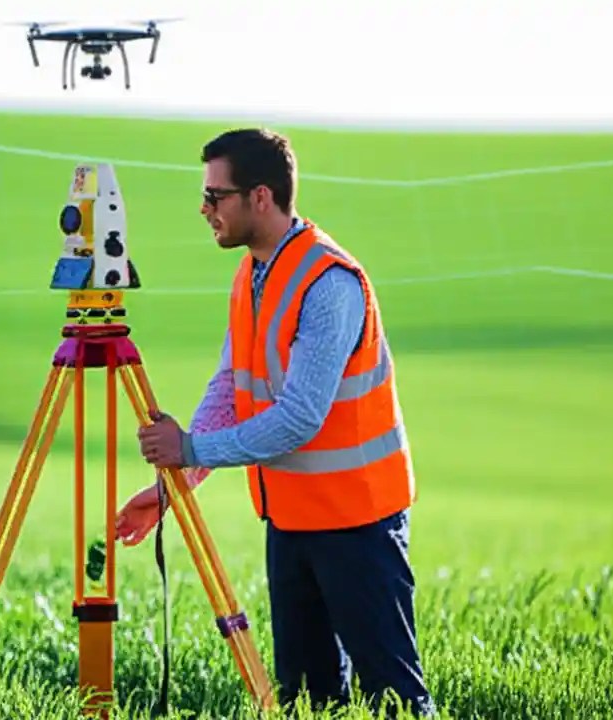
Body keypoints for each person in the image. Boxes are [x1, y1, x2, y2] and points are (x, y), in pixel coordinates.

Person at [115, 128, 436, 717]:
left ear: (260, 197)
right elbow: (230, 386)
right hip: (291, 521)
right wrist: (174, 487)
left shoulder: (328, 284)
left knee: (394, 698)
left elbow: (298, 420)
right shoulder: (253, 275)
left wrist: (188, 448)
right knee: (309, 699)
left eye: (217, 196)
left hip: (358, 522)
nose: (204, 209)